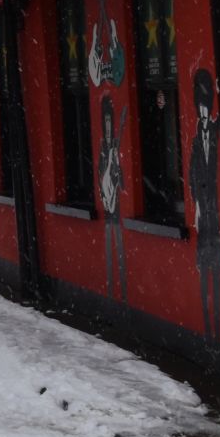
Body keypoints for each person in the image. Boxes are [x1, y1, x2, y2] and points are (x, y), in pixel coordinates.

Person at [188, 70, 220, 340]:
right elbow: (191, 176)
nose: (202, 111)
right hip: (204, 210)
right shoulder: (194, 141)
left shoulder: (215, 130)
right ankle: (208, 330)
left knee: (217, 268)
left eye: (205, 106)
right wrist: (197, 206)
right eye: (199, 106)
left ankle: (218, 329)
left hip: (217, 210)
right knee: (204, 267)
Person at [97, 96, 126, 301]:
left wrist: (117, 167)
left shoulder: (114, 150)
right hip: (108, 206)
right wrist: (104, 197)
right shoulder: (102, 151)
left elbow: (122, 182)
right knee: (109, 250)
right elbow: (100, 177)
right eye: (105, 124)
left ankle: (121, 289)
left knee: (120, 249)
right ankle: (111, 290)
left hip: (115, 207)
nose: (108, 130)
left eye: (110, 123)